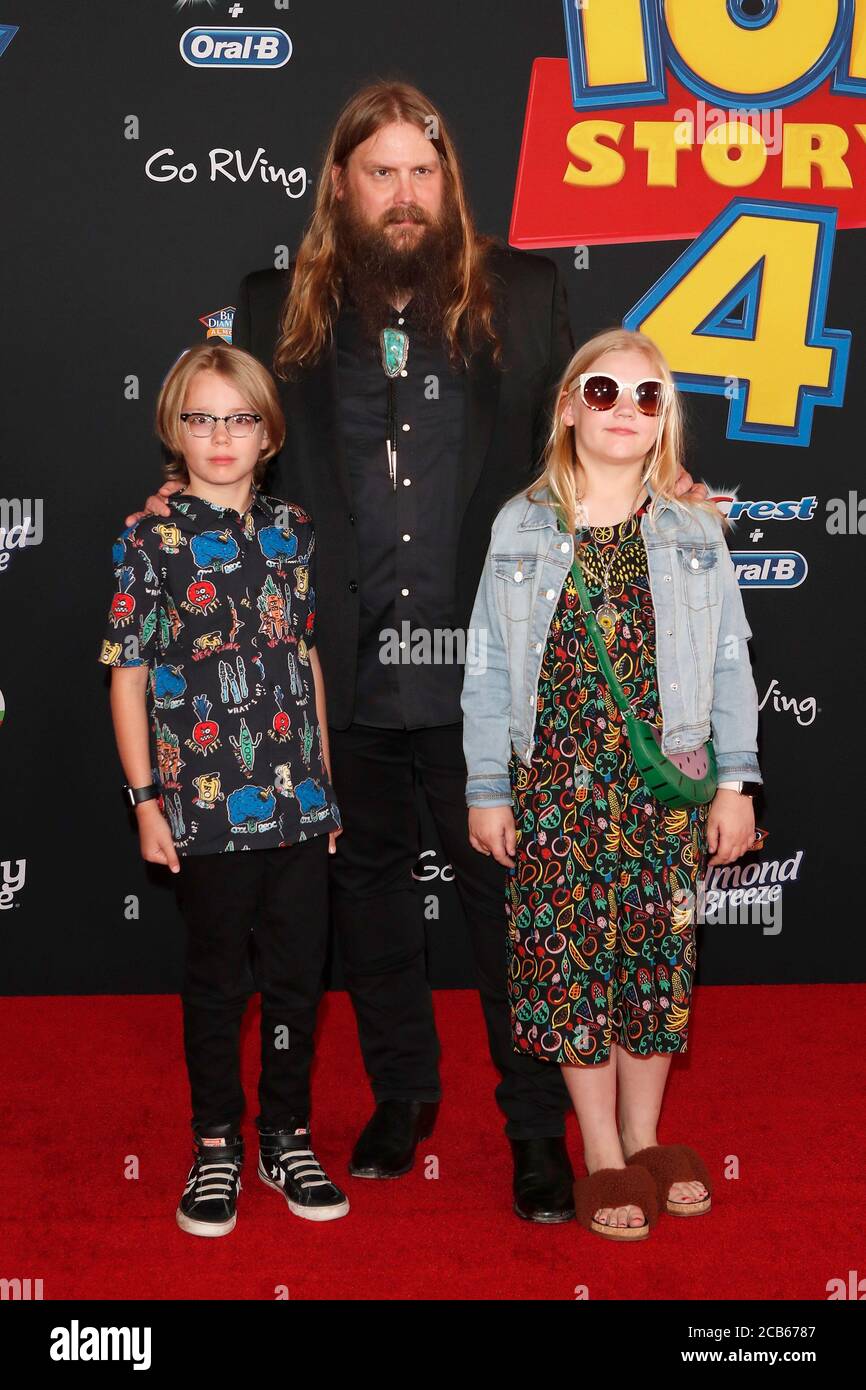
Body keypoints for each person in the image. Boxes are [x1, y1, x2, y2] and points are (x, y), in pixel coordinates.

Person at [124, 80, 709, 1223]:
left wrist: (666, 480)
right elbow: (239, 439)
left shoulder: (526, 293)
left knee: (509, 902)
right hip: (331, 671)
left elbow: (591, 429)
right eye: (379, 171)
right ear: (339, 183)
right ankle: (402, 1098)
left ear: (448, 187)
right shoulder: (269, 302)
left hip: (487, 668)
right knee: (366, 899)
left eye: (421, 172)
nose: (402, 194)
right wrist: (187, 495)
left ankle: (538, 1129)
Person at [461, 327, 764, 1239]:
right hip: (554, 792)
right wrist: (487, 785)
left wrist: (735, 784)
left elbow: (729, 667)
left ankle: (644, 1135)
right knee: (571, 970)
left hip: (662, 791)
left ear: (664, 417)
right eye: (603, 392)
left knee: (656, 969)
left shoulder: (694, 528)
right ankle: (598, 1152)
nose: (625, 410)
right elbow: (484, 668)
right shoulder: (520, 525)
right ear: (567, 406)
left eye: (646, 396)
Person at [99, 342, 348, 1237]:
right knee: (216, 984)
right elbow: (127, 676)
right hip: (201, 807)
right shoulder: (148, 538)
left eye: (238, 418)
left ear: (267, 431)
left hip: (296, 802)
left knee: (294, 981)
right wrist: (144, 801)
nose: (219, 436)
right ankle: (216, 1147)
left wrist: (320, 785)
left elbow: (304, 656)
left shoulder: (294, 530)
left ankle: (285, 1133)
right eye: (201, 418)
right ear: (175, 426)